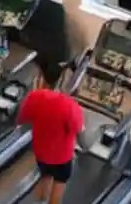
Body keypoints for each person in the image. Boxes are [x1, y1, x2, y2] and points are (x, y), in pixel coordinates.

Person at [17, 62, 84, 204]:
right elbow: (78, 129)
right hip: (62, 158)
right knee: (58, 187)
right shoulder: (71, 106)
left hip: (41, 153)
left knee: (45, 176)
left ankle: (40, 200)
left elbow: (22, 118)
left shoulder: (35, 97)